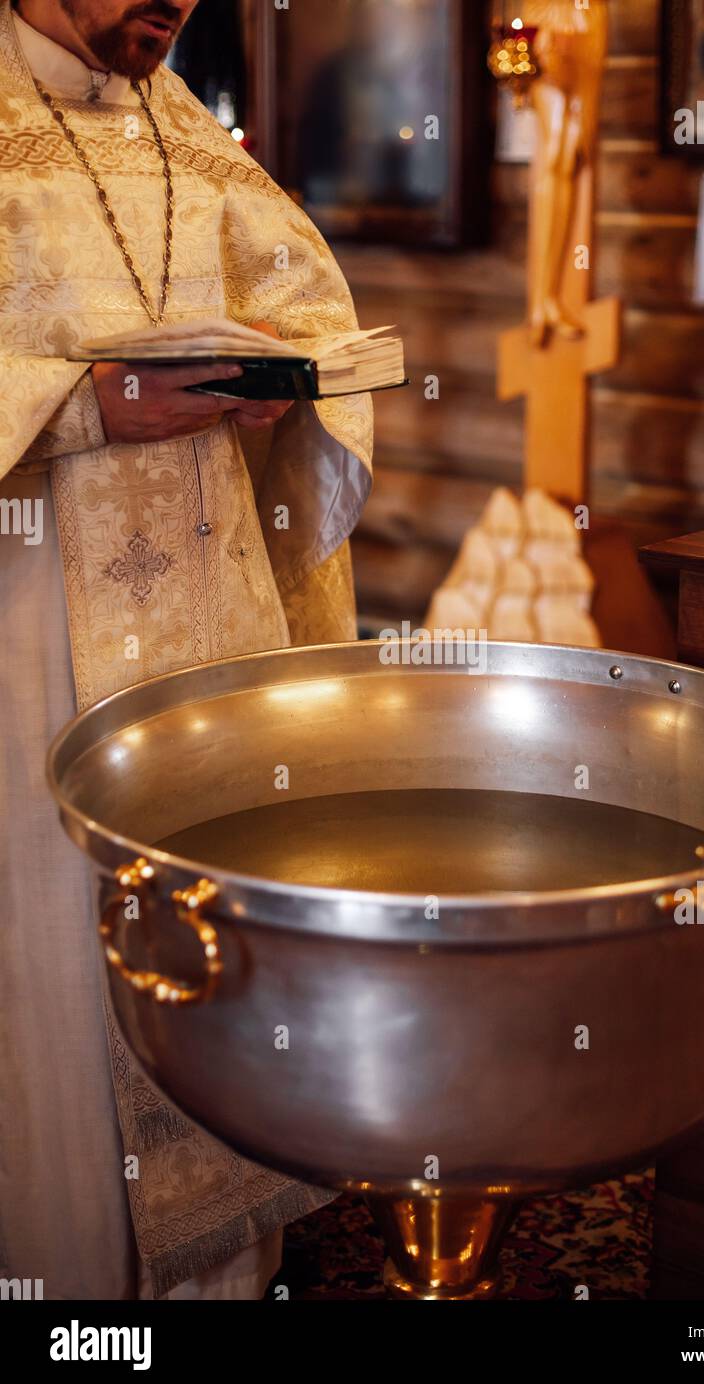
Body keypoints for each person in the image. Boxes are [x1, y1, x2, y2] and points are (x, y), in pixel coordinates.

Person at [0, 0, 373, 1299]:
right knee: (49, 956)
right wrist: (80, 405)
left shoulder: (196, 143)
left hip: (210, 638)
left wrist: (305, 382)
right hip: (31, 638)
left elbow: (311, 310)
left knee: (215, 940)